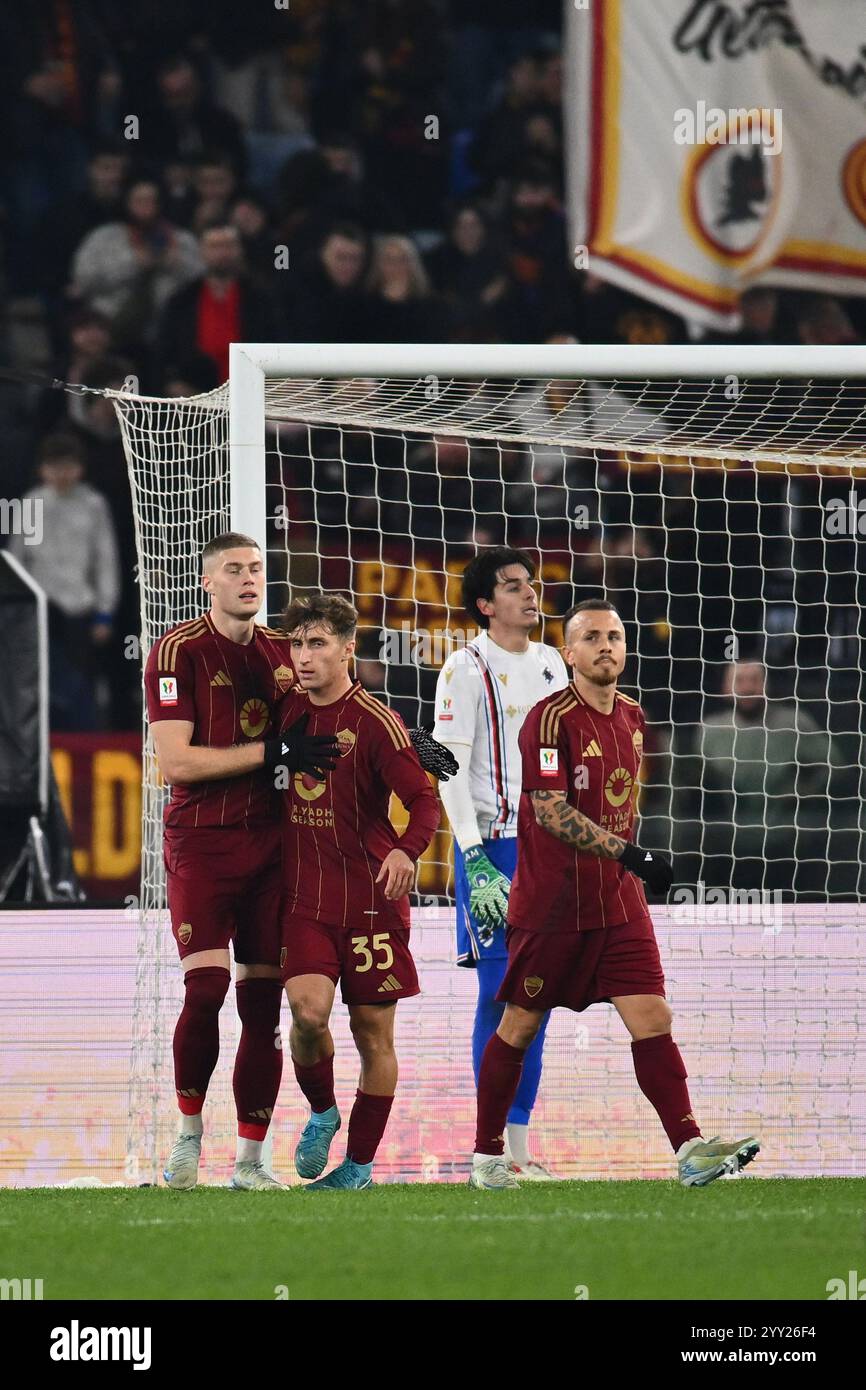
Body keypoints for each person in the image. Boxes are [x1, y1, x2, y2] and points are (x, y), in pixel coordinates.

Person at [469, 598, 760, 1190]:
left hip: (618, 903)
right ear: (568, 653)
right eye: (592, 638)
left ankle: (690, 1149)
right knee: (520, 1024)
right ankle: (485, 1156)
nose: (606, 646)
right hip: (554, 905)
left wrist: (629, 863)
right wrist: (632, 855)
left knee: (652, 1016)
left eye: (615, 636)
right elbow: (549, 810)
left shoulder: (632, 716)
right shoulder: (548, 721)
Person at [144, 534, 339, 1192]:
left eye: (256, 568)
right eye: (235, 570)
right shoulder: (176, 653)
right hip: (202, 843)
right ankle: (188, 1140)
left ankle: (251, 1163)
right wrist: (273, 754)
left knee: (264, 1006)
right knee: (206, 990)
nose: (250, 579)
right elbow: (177, 763)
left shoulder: (285, 653)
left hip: (272, 846)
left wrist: (396, 737)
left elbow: (334, 709)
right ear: (207, 582)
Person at [276, 592, 440, 1190]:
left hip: (372, 902)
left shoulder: (375, 722)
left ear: (348, 650)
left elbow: (424, 798)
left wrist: (405, 849)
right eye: (297, 643)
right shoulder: (284, 710)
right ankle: (322, 1110)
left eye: (317, 643)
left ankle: (361, 1165)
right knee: (307, 1014)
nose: (303, 655)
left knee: (373, 1036)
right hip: (307, 900)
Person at [434, 548, 569, 1179]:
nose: (529, 594)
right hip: (493, 850)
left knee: (534, 997)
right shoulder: (465, 666)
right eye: (513, 587)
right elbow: (446, 765)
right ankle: (488, 1146)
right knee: (499, 992)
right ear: (486, 605)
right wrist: (471, 854)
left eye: (532, 585)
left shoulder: (551, 664)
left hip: (550, 851)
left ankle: (516, 1149)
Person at [6, 432, 120, 731]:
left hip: (79, 611)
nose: (61, 474)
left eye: (68, 466)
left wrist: (104, 613)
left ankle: (83, 746)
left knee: (80, 686)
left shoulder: (93, 504)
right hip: (39, 610)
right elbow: (16, 560)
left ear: (80, 467)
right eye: (54, 466)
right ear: (43, 468)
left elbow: (105, 562)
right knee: (38, 683)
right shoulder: (31, 502)